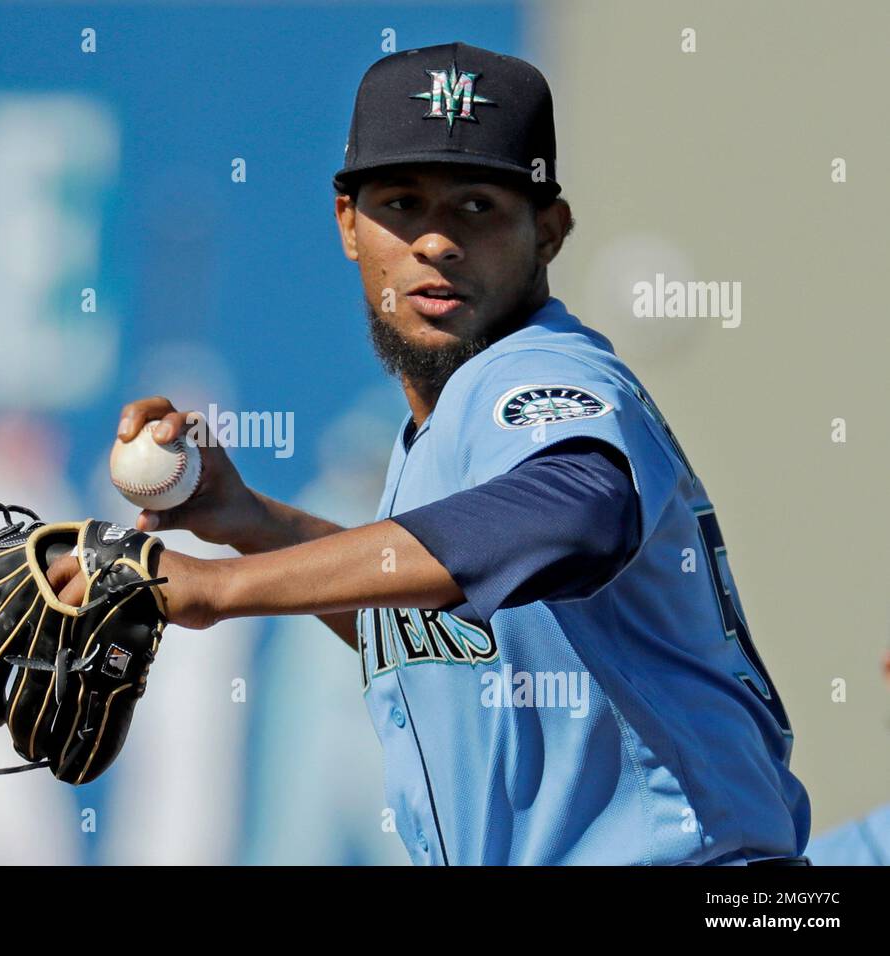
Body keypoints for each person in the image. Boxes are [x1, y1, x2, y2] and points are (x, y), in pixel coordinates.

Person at [46, 41, 810, 865]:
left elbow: (578, 508)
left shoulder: (540, 372)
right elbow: (436, 621)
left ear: (548, 231)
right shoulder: (443, 428)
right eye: (403, 203)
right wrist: (255, 524)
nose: (436, 241)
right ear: (348, 222)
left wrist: (217, 587)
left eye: (477, 206)